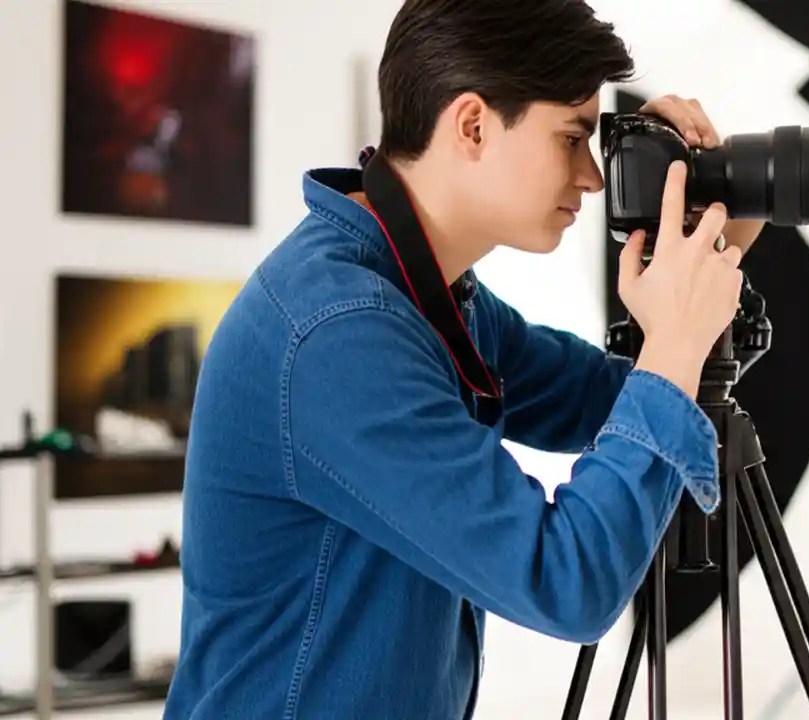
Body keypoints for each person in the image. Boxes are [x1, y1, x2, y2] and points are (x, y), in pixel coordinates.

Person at [163, 1, 764, 718]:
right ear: (473, 125)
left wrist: (708, 241)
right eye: (573, 138)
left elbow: (622, 397)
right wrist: (670, 347)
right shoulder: (341, 336)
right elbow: (565, 582)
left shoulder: (432, 300)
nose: (594, 178)